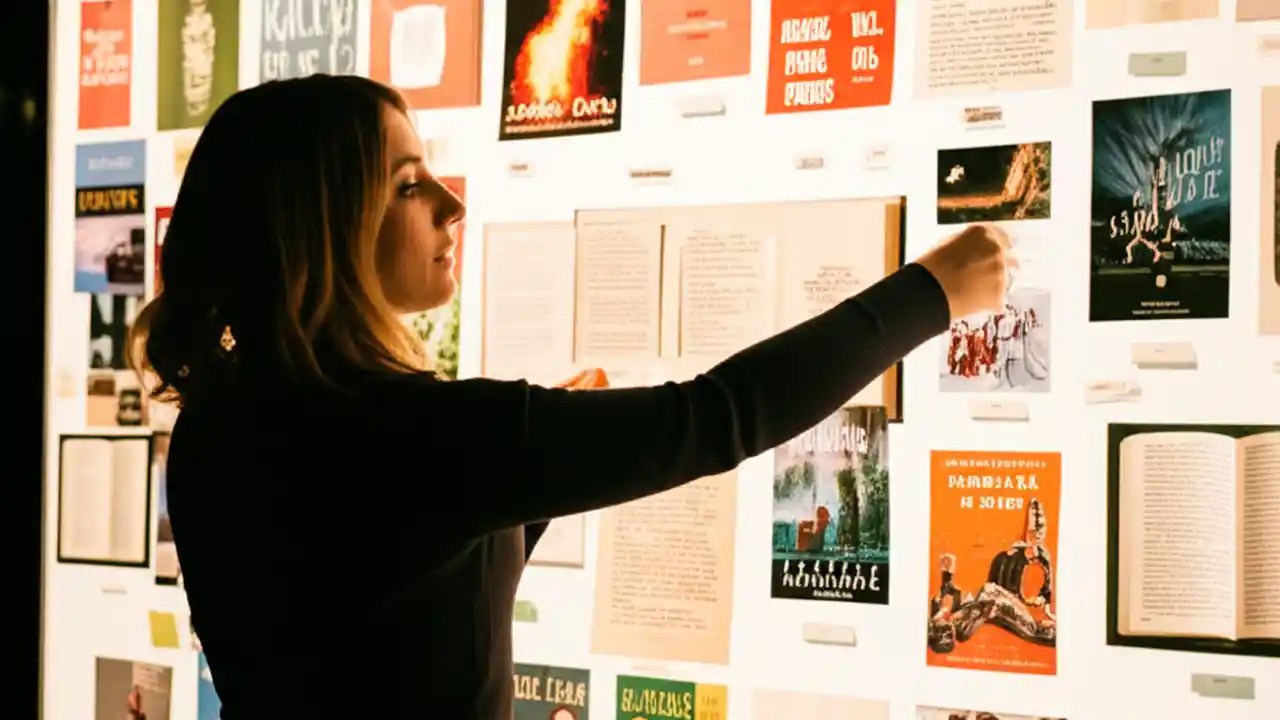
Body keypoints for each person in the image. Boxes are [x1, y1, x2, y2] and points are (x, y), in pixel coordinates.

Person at [127, 74, 1011, 718]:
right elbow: (715, 417)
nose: (448, 204)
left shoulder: (224, 426)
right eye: (405, 184)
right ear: (321, 229)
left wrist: (530, 457)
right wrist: (929, 293)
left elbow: (392, 595)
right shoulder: (421, 435)